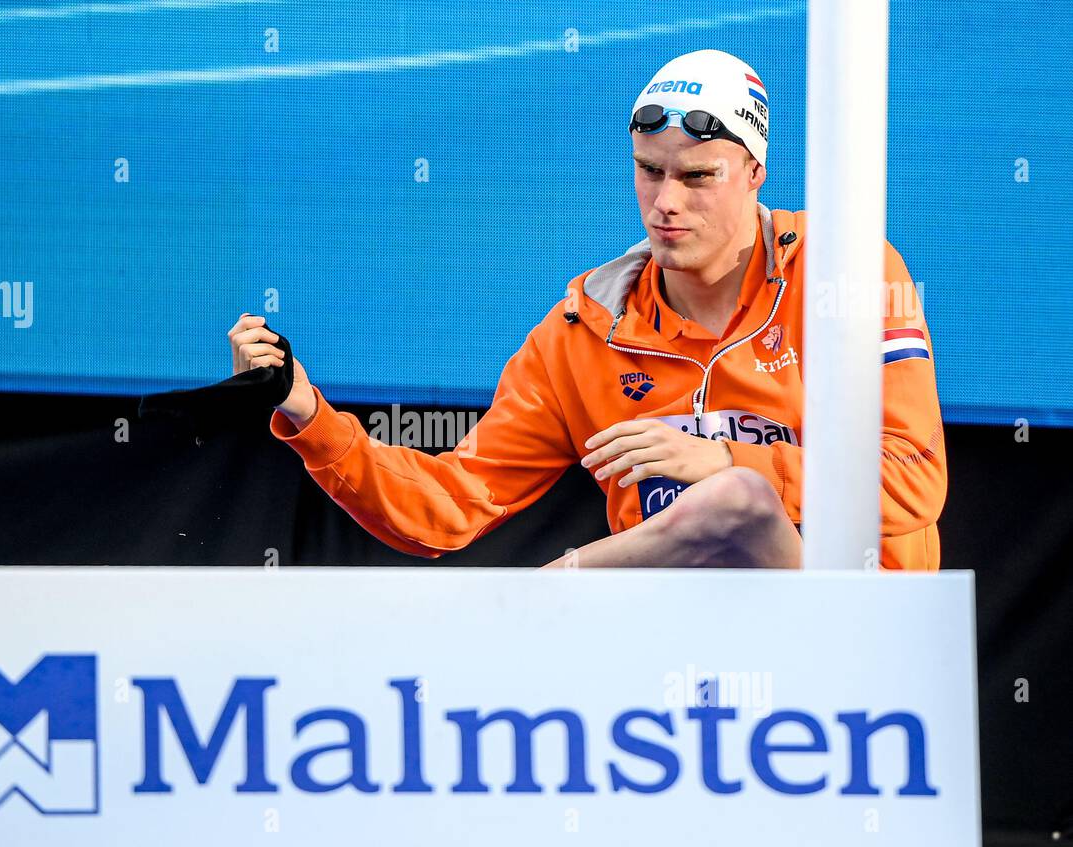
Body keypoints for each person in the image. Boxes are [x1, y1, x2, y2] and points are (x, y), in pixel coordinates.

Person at [227, 49, 947, 571]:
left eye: (698, 178)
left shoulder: (846, 269)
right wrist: (306, 413)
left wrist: (724, 459)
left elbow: (915, 477)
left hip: (854, 650)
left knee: (739, 506)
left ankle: (550, 596)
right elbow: (446, 508)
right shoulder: (584, 331)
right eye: (649, 170)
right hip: (668, 660)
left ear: (756, 173)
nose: (666, 203)